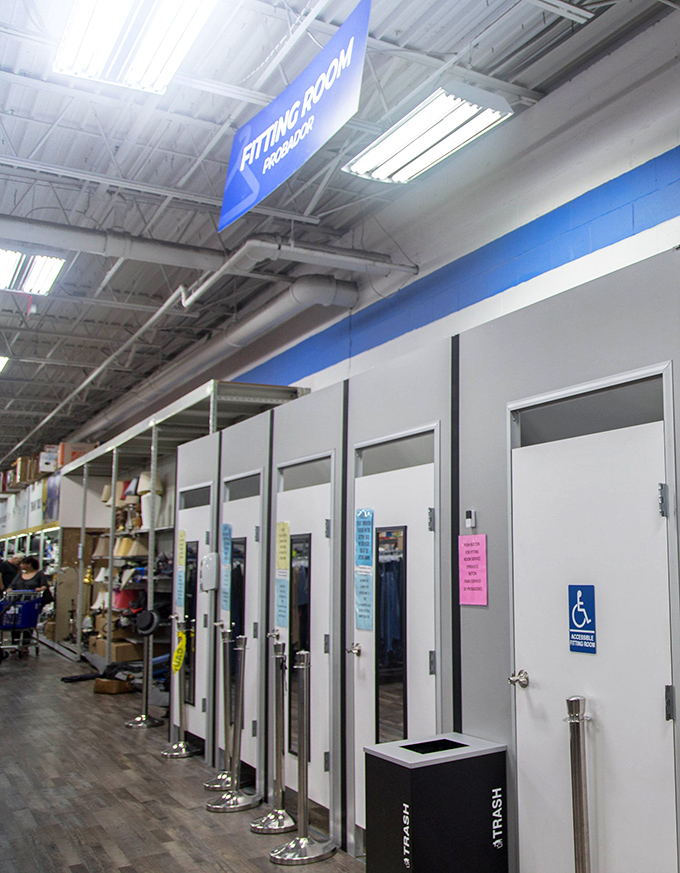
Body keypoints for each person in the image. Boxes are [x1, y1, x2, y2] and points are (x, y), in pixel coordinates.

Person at [7, 556, 52, 652]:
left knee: (28, 622)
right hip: (18, 602)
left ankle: (25, 644)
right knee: (15, 621)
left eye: (23, 563)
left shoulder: (39, 574)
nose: (21, 565)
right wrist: (9, 590)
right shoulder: (19, 575)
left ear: (29, 565)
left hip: (31, 603)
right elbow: (12, 585)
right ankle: (15, 643)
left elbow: (44, 585)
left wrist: (40, 589)